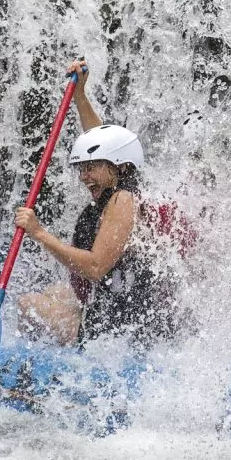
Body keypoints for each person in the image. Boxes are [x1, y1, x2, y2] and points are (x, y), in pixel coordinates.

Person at [14, 61, 179, 349]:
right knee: (55, 292)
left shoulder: (122, 201)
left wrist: (39, 233)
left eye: (91, 168)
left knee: (29, 305)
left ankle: (46, 375)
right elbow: (102, 139)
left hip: (118, 329)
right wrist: (80, 96)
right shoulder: (119, 184)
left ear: (118, 166)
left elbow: (95, 268)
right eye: (82, 168)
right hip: (113, 304)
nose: (84, 176)